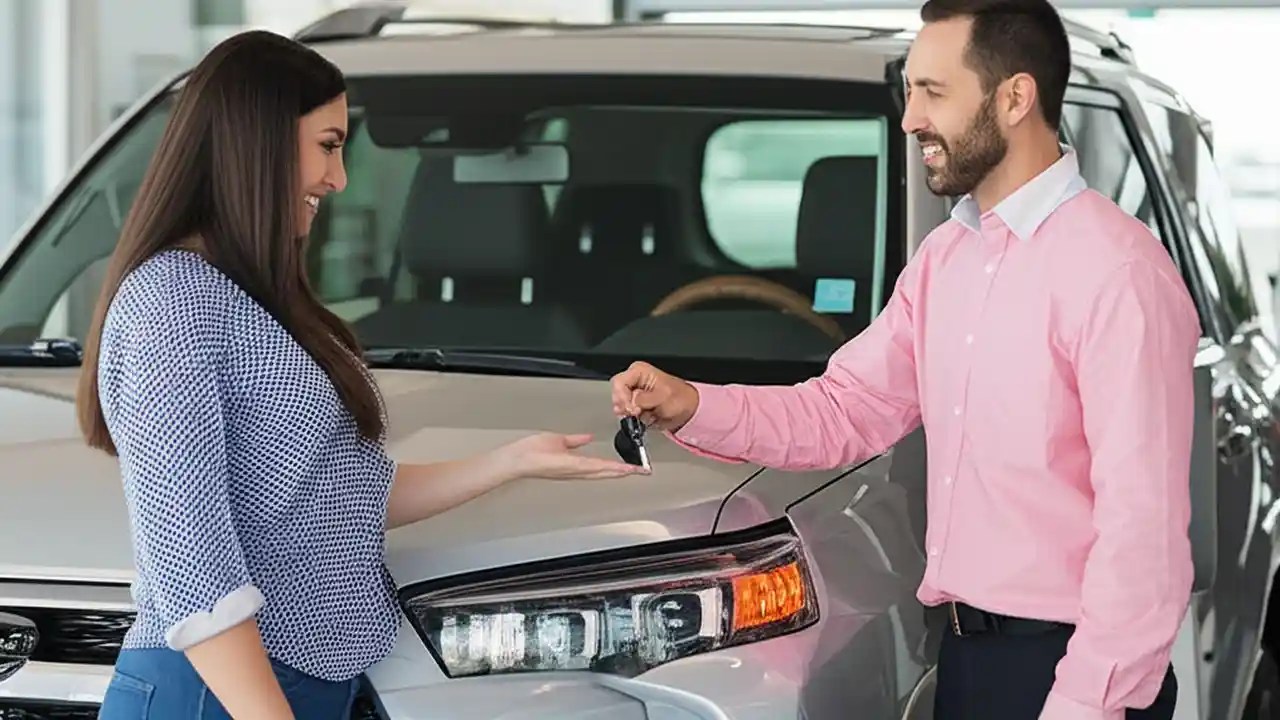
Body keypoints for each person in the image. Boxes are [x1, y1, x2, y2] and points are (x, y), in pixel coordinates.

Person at [610, 1, 1198, 718]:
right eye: (911, 91)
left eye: (933, 92)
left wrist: (1083, 702)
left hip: (1073, 674)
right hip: (973, 661)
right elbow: (844, 410)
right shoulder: (947, 258)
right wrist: (693, 403)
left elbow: (1143, 534)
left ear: (1015, 98)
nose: (911, 118)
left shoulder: (1117, 272)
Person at [76, 30, 648, 720]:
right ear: (257, 141)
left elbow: (339, 497)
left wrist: (513, 460)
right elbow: (189, 562)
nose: (338, 179)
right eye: (328, 145)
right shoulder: (173, 300)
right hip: (216, 695)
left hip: (284, 688)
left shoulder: (253, 299)